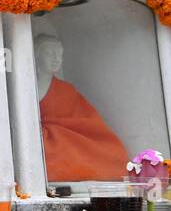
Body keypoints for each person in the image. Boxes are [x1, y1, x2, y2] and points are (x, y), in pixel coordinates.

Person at [34, 32, 129, 182]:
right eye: (49, 53)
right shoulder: (26, 87)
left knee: (107, 155)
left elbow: (87, 121)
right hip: (40, 142)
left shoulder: (67, 90)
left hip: (67, 140)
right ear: (37, 56)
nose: (56, 59)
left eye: (59, 54)